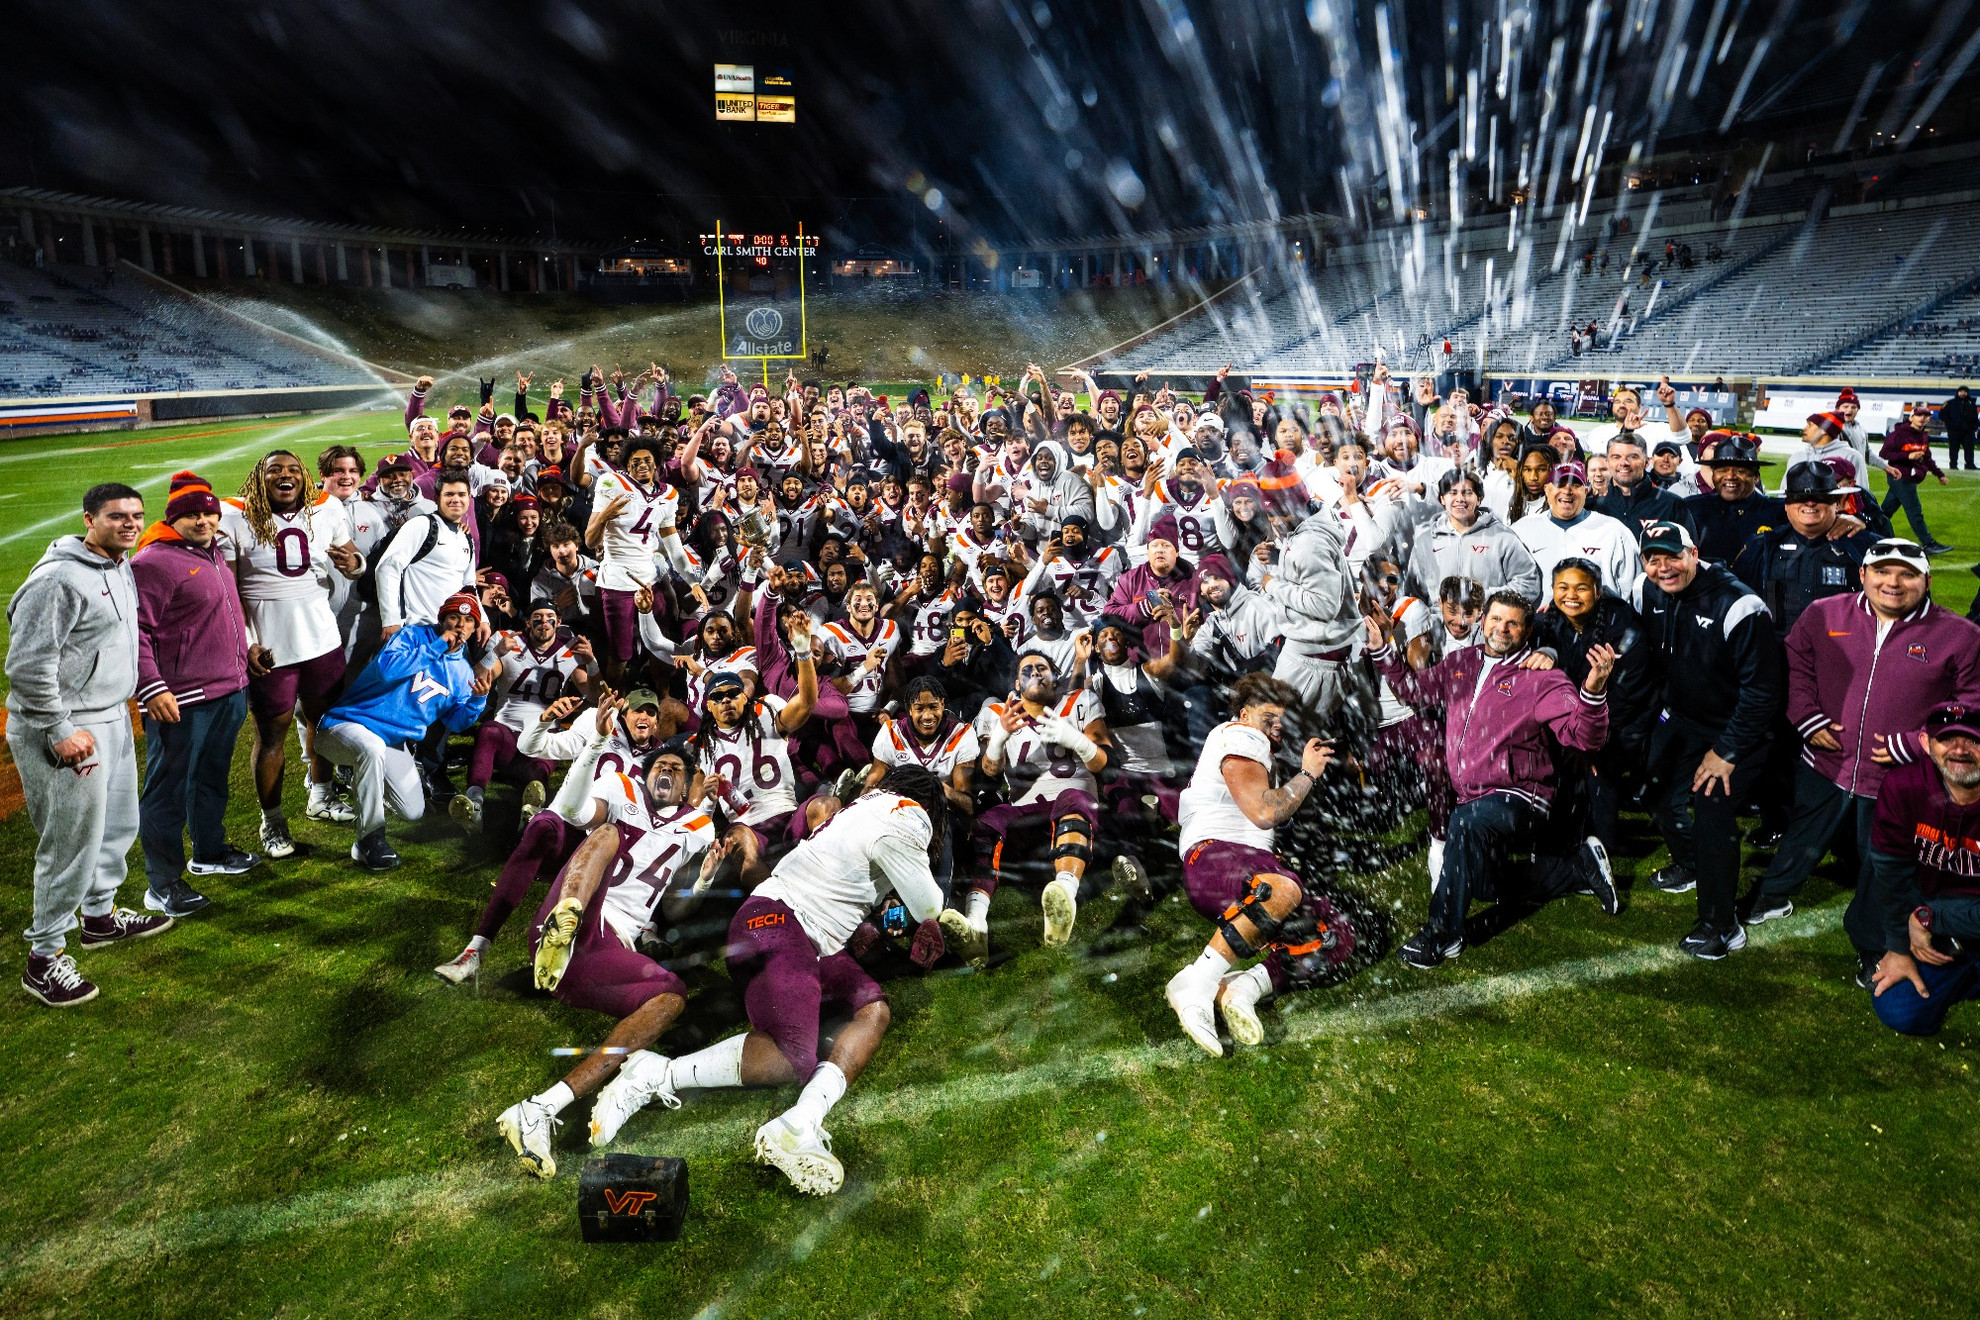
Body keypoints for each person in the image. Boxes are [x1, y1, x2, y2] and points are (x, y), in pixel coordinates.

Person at [574, 766, 952, 1196]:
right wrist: (937, 912)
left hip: (795, 931)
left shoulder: (864, 805)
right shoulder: (910, 814)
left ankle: (801, 1121)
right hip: (780, 923)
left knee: (873, 1010)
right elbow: (927, 903)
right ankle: (656, 1074)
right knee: (792, 1058)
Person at [494, 740, 727, 1178]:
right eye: (659, 765)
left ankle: (542, 1108)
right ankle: (563, 929)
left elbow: (673, 909)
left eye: (676, 768)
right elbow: (575, 812)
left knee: (672, 995)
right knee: (607, 832)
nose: (666, 771)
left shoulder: (699, 828)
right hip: (578, 914)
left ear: (686, 787)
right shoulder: (621, 787)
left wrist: (703, 882)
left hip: (607, 949)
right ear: (646, 773)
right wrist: (594, 746)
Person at [1371, 593, 1618, 969]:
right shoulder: (1461, 662)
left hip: (1522, 796)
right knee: (1485, 885)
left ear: (1527, 631)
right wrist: (1383, 648)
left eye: (1513, 623)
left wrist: (1594, 690)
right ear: (1483, 620)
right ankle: (1577, 869)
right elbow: (1413, 691)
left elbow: (1584, 738)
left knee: (1466, 822)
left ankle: (1442, 933)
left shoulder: (1542, 678)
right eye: (1496, 619)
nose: (1502, 628)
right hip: (1474, 798)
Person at [1749, 541, 1980, 941]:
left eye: (1907, 574)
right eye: (1882, 571)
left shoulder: (1961, 635)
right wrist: (1806, 717)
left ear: (1927, 581)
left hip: (1898, 775)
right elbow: (1796, 662)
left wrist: (1915, 745)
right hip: (1825, 759)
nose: (1893, 582)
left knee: (1883, 859)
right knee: (1804, 831)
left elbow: (1973, 704)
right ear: (1862, 575)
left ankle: (1874, 943)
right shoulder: (1824, 613)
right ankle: (1773, 893)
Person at [8, 483, 172, 1008]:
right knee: (69, 843)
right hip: (70, 726)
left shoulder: (118, 565)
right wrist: (59, 729)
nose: (130, 524)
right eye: (116, 516)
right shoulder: (57, 579)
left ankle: (100, 917)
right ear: (89, 519)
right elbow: (27, 667)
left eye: (136, 516)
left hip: (110, 715)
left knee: (117, 826)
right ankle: (43, 958)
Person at [1163, 674, 1353, 1055]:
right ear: (1245, 714)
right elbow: (1265, 812)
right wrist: (1307, 774)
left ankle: (1241, 987)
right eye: (1269, 717)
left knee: (1338, 936)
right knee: (1282, 890)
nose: (1277, 726)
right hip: (1215, 858)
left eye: (1282, 719)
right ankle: (1196, 983)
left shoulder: (1259, 747)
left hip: (1244, 864)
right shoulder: (1241, 735)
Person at [1633, 522, 1783, 959]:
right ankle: (1692, 864)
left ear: (1694, 553)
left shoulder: (1739, 604)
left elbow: (1763, 693)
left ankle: (1722, 925)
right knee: (1656, 790)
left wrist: (1727, 751)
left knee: (1712, 809)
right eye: (1653, 559)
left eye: (1673, 556)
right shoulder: (1647, 590)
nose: (1663, 567)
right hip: (1683, 717)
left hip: (1737, 724)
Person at [222, 450, 366, 856]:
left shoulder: (326, 508)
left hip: (321, 636)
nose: (284, 476)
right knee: (272, 735)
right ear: (259, 477)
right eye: (274, 470)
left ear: (303, 476)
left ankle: (321, 796)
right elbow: (230, 590)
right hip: (270, 642)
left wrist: (355, 563)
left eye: (292, 470)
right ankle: (272, 821)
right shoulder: (234, 516)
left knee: (325, 723)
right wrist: (246, 641)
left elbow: (354, 560)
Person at [131, 473, 254, 917]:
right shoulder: (153, 562)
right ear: (173, 519)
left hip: (227, 686)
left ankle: (209, 852)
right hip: (180, 697)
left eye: (208, 512)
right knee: (167, 790)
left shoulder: (211, 550)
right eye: (192, 515)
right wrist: (152, 686)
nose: (203, 520)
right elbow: (136, 632)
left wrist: (246, 654)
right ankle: (162, 883)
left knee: (210, 777)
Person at [956, 646, 1113, 961]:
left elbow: (1102, 761)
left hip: (1075, 809)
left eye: (1042, 668)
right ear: (1016, 684)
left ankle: (1064, 896)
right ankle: (975, 922)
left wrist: (1076, 740)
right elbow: (989, 771)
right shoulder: (1001, 713)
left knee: (1073, 797)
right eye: (1027, 670)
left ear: (1055, 678)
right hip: (1027, 817)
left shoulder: (1079, 701)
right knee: (991, 818)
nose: (1035, 673)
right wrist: (999, 738)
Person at [315, 593, 492, 870]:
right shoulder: (412, 636)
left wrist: (477, 701)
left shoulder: (462, 673)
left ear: (474, 629)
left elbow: (456, 723)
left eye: (469, 621)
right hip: (346, 724)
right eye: (454, 617)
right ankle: (369, 840)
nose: (460, 625)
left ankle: (361, 779)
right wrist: (436, 647)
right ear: (442, 620)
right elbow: (387, 671)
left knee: (412, 811)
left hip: (393, 742)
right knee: (370, 749)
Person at [1864, 702, 1980, 1035]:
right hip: (1936, 923)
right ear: (1926, 744)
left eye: (1974, 740)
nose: (1960, 750)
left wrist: (1929, 918)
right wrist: (1899, 946)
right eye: (1947, 739)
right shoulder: (1903, 787)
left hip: (1942, 918)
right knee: (1899, 1009)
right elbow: (1890, 873)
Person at [449, 599, 595, 832]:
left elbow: (595, 695)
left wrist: (592, 663)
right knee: (489, 730)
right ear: (527, 622)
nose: (544, 622)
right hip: (506, 736)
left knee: (539, 774)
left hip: (542, 736)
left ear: (558, 622)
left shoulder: (569, 650)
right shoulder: (509, 642)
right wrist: (495, 653)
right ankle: (474, 803)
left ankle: (530, 814)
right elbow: (475, 679)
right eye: (537, 617)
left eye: (549, 618)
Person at [1405, 469, 1540, 604]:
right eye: (1453, 493)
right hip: (1438, 618)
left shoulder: (1503, 537)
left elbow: (1528, 584)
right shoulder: (1426, 541)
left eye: (1467, 492)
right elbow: (1413, 595)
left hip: (1487, 617)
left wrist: (1484, 599)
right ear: (1442, 499)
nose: (1460, 499)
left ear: (1479, 499)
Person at [1511, 460, 1640, 596]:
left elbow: (1633, 588)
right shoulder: (1521, 530)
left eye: (1575, 485)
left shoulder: (1614, 530)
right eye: (1559, 484)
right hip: (1535, 610)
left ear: (1585, 491)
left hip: (1601, 610)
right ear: (1547, 490)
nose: (1567, 491)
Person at [1678, 434, 1781, 564]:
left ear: (1756, 477)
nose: (1730, 476)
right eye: (1722, 470)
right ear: (1713, 475)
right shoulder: (1693, 509)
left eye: (1740, 471)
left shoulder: (1778, 512)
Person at [1878, 404, 1953, 555]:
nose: (1922, 418)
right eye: (1919, 415)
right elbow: (1883, 453)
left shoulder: (1923, 436)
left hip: (1910, 478)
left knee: (1886, 511)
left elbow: (1927, 458)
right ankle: (1928, 543)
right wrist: (1908, 456)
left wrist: (1939, 474)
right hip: (1899, 477)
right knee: (1915, 511)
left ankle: (1871, 532)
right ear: (1911, 417)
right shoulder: (1899, 434)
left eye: (1926, 416)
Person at [1940, 385, 1977, 472]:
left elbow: (1975, 417)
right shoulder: (1950, 403)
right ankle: (1953, 465)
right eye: (1961, 391)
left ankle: (1969, 464)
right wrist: (1950, 425)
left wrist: (1973, 427)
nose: (1963, 393)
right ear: (1957, 392)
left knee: (1969, 449)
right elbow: (1942, 415)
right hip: (1954, 431)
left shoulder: (1971, 404)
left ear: (1967, 393)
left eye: (1965, 392)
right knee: (1954, 449)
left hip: (1968, 432)